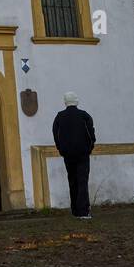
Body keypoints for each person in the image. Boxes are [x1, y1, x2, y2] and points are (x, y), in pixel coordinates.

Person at [52, 92, 95, 220]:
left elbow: (56, 134)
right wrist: (89, 148)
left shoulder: (60, 117)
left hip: (68, 154)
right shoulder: (84, 115)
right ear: (76, 101)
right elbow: (91, 134)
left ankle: (75, 211)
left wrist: (61, 149)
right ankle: (83, 211)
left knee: (72, 180)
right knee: (82, 181)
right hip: (82, 153)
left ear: (65, 102)